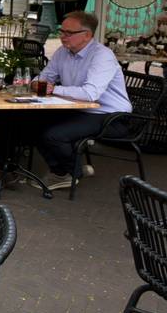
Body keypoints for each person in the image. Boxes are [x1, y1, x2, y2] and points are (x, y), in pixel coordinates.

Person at [33, 11, 132, 190]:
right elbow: (44, 77)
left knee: (55, 135)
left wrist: (53, 89)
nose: (62, 36)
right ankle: (71, 169)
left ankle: (65, 173)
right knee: (29, 123)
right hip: (78, 109)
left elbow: (90, 94)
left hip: (110, 114)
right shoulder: (63, 52)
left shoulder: (102, 55)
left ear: (87, 35)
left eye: (69, 33)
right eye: (61, 31)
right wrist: (36, 83)